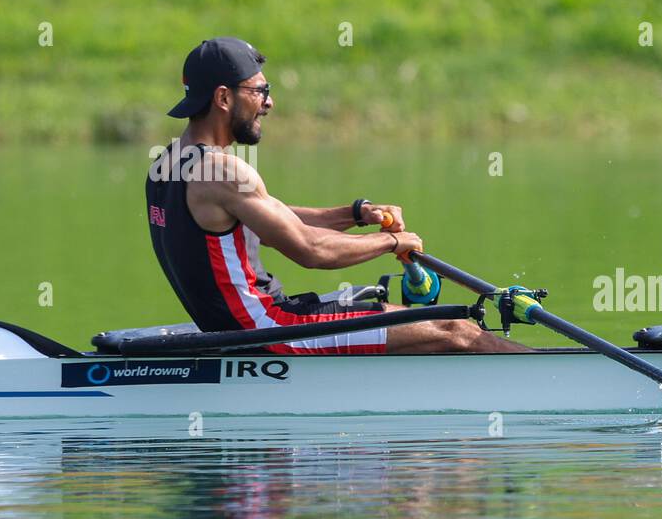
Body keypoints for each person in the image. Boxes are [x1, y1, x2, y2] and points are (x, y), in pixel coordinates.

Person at [146, 37, 523, 354]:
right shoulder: (223, 171)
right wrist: (392, 242)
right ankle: (563, 383)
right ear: (224, 98)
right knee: (456, 331)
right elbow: (312, 251)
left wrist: (357, 214)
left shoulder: (168, 164)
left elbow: (277, 218)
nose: (269, 103)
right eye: (260, 91)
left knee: (402, 318)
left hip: (238, 328)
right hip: (269, 328)